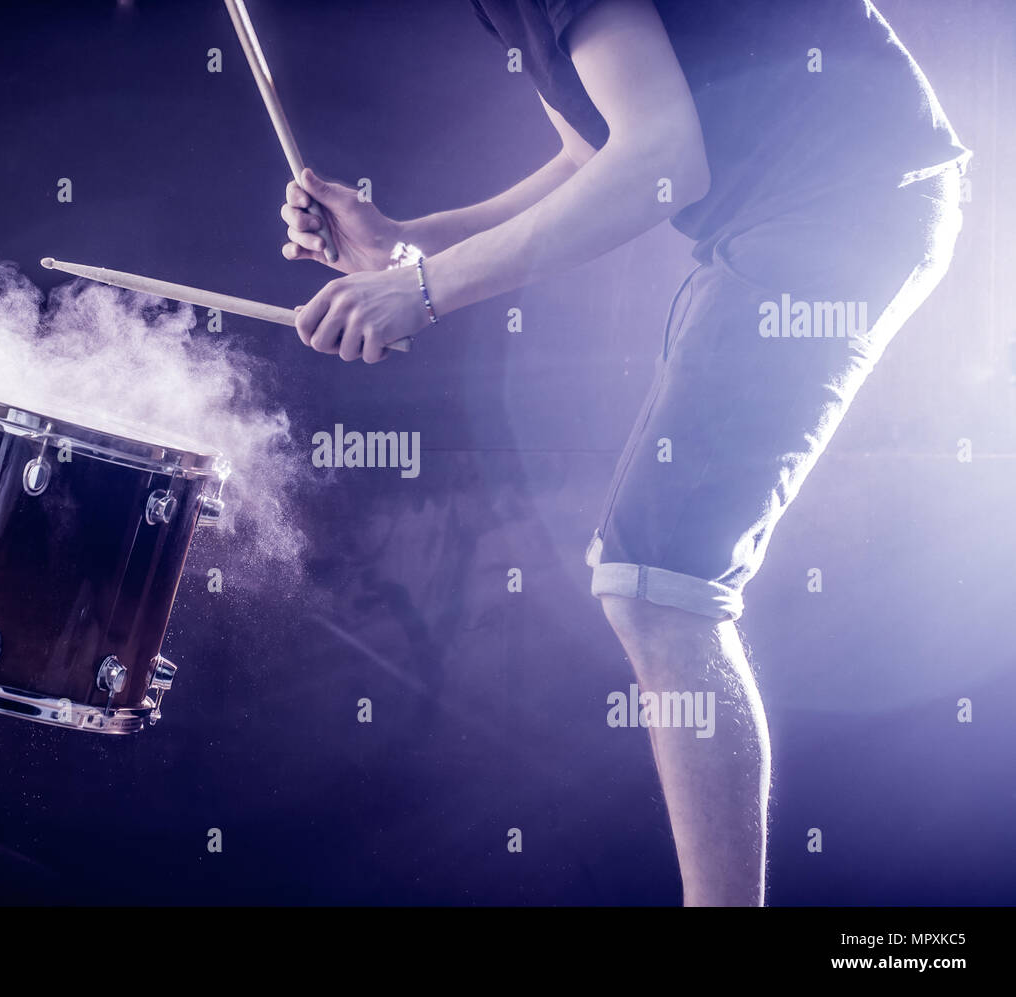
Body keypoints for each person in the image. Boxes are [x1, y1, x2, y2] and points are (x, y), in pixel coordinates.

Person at [280, 0, 969, 905]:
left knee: (659, 584)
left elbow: (663, 162)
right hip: (814, 204)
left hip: (844, 196)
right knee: (651, 583)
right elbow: (598, 157)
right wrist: (410, 244)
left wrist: (427, 289)